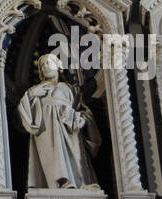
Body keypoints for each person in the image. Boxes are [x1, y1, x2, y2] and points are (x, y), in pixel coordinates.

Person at [17, 52, 102, 189]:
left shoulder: (70, 89)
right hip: (45, 129)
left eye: (48, 62)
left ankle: (82, 182)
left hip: (68, 127)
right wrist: (31, 96)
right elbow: (23, 111)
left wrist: (79, 119)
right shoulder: (34, 90)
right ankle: (60, 183)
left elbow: (84, 111)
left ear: (58, 66)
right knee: (52, 155)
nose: (45, 66)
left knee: (77, 154)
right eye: (42, 65)